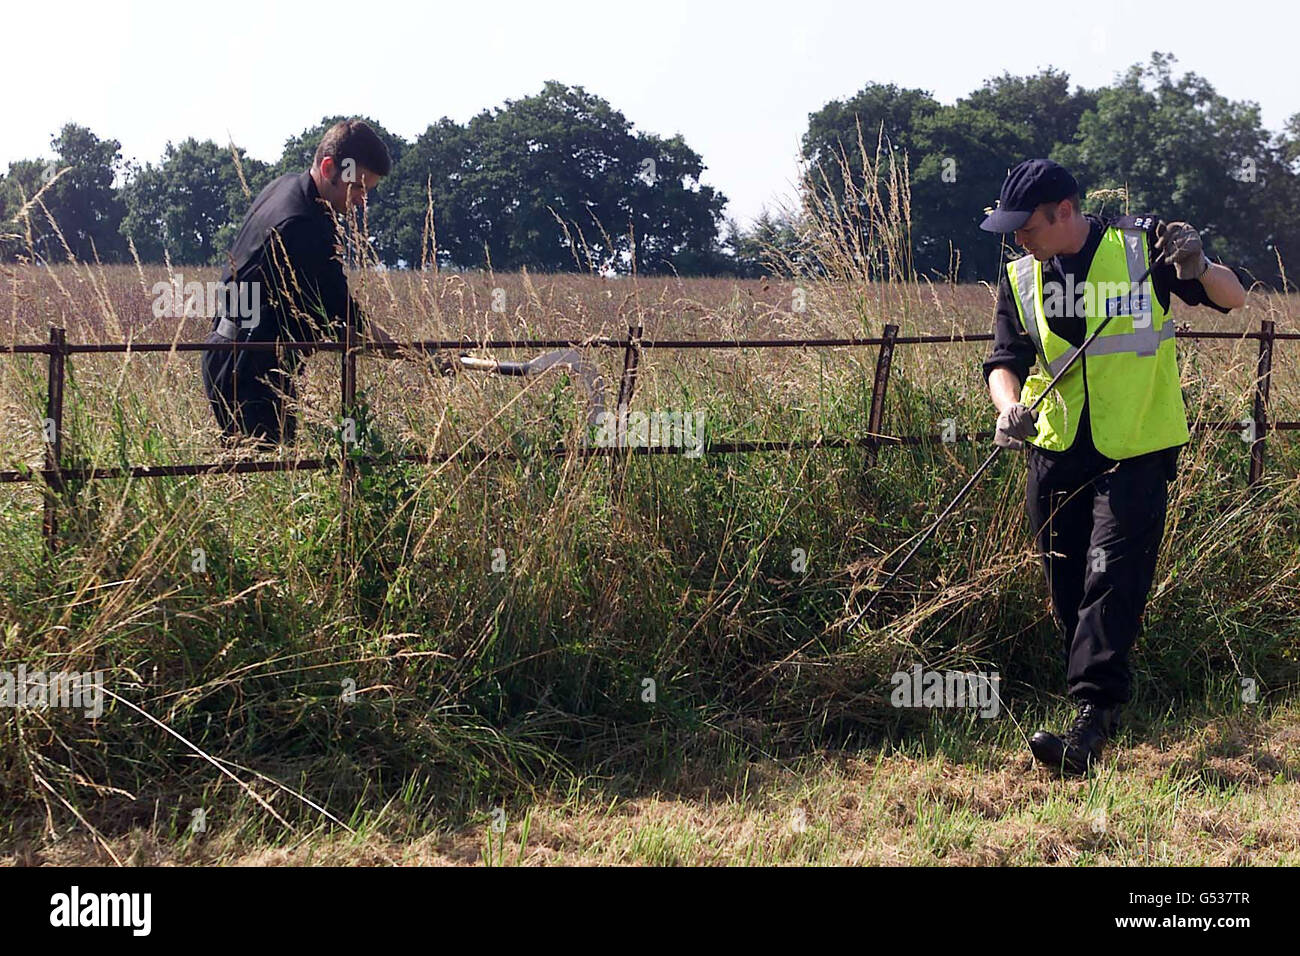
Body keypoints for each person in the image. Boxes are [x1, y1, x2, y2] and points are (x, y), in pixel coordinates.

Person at [979, 159, 1247, 775]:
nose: (1019, 239)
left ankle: (1088, 728)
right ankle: (1094, 704)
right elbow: (1004, 360)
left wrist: (1197, 266)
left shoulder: (1143, 246)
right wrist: (1009, 406)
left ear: (1065, 211)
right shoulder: (1021, 277)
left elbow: (1234, 298)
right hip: (1055, 448)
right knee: (1067, 581)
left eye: (1027, 226)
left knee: (1113, 580)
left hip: (1135, 449)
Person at [201, 119, 396, 446]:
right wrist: (416, 355)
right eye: (358, 186)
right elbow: (348, 324)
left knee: (258, 473)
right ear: (329, 167)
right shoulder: (302, 226)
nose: (363, 200)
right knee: (267, 473)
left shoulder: (286, 188)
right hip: (249, 369)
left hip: (237, 353)